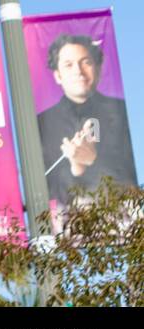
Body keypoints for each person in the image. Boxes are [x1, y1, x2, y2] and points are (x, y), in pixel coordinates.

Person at [36, 34, 137, 208]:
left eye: (86, 62)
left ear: (97, 69)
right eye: (69, 65)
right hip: (67, 223)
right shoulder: (41, 123)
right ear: (58, 75)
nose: (78, 71)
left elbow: (130, 176)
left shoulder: (120, 111)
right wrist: (76, 168)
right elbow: (41, 188)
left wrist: (93, 160)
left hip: (122, 217)